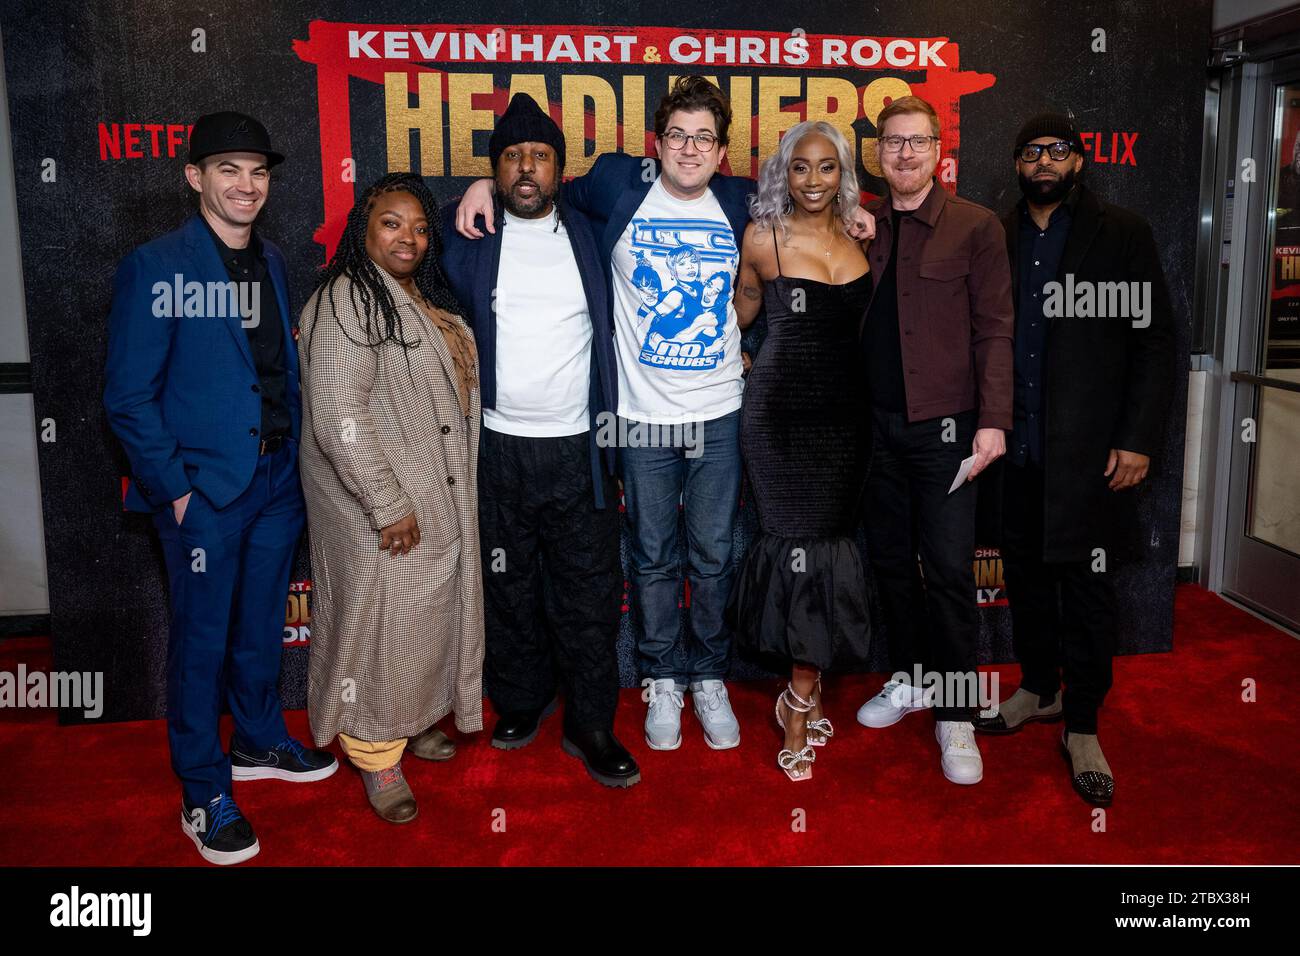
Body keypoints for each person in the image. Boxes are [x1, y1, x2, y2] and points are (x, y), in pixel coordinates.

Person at [456, 77, 873, 753]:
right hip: (642, 417)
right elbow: (530, 186)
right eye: (677, 134)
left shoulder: (742, 201)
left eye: (704, 137)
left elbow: (810, 219)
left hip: (719, 414)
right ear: (658, 141)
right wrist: (479, 187)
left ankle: (707, 676)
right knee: (652, 558)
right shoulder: (618, 185)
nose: (689, 149)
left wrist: (860, 215)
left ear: (721, 149)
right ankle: (663, 676)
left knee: (712, 557)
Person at [104, 111, 337, 865]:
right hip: (205, 492)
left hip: (275, 481)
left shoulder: (269, 260)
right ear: (195, 177)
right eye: (228, 170)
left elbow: (271, 374)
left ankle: (260, 738)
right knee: (202, 640)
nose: (246, 185)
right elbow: (128, 396)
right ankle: (203, 789)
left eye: (258, 172)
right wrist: (175, 492)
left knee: (261, 623)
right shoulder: (157, 266)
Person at [972, 114, 1176, 806]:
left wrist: (1140, 437)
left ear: (1079, 161)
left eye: (1058, 150)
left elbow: (1154, 344)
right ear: (1017, 163)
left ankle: (1082, 724)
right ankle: (1038, 688)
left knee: (1088, 590)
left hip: (1091, 455)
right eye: (1032, 151)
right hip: (1016, 447)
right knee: (1025, 577)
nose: (1044, 161)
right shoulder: (994, 235)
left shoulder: (1121, 233)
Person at [439, 93, 639, 788]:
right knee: (508, 584)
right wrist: (467, 193)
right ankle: (522, 701)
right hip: (496, 450)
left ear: (560, 168)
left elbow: (636, 171)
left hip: (579, 449)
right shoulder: (464, 235)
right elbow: (383, 236)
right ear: (493, 169)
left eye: (540, 157)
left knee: (587, 593)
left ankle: (590, 724)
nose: (526, 170)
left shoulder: (591, 227)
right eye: (512, 158)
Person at [297, 173, 484, 823]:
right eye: (390, 223)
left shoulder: (409, 296)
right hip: (376, 508)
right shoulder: (349, 298)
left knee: (421, 624)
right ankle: (376, 756)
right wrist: (386, 502)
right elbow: (337, 416)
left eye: (420, 227)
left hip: (428, 497)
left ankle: (410, 722)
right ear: (362, 229)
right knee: (377, 633)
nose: (408, 237)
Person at [852, 95, 1014, 787]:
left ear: (938, 150)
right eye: (893, 142)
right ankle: (914, 678)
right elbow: (779, 193)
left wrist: (994, 420)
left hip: (948, 432)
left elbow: (996, 328)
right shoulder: (863, 223)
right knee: (890, 565)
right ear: (879, 152)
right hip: (875, 429)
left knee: (948, 572)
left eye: (917, 142)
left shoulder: (975, 226)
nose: (905, 154)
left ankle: (955, 711)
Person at [728, 121, 873, 781]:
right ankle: (798, 699)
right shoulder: (763, 238)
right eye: (800, 168)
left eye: (827, 168)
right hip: (780, 419)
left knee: (830, 553)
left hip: (846, 422)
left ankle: (799, 691)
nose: (813, 181)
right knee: (794, 551)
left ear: (843, 174)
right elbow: (739, 318)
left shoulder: (866, 235)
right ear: (782, 174)